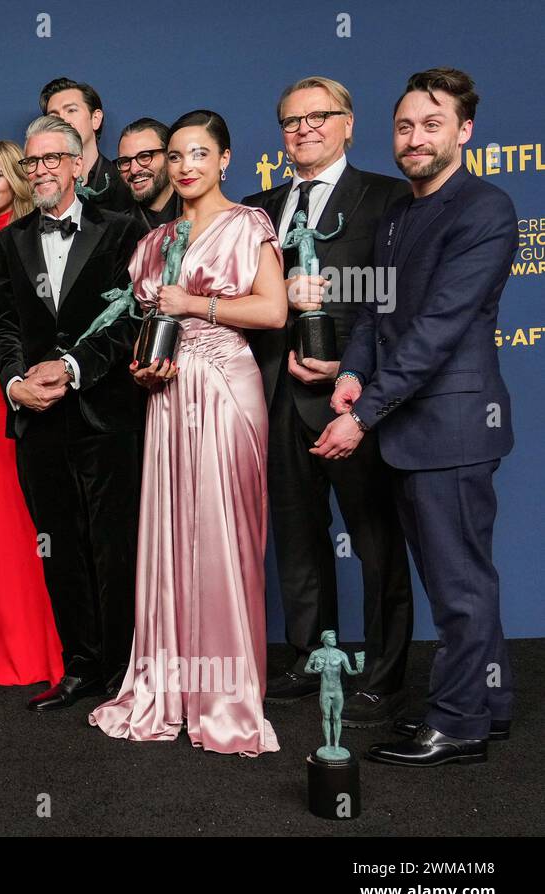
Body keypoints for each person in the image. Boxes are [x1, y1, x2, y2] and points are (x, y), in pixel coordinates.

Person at [319, 68, 516, 766]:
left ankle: (459, 723)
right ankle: (487, 705)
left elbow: (437, 329)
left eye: (432, 124)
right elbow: (378, 309)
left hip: (452, 429)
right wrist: (349, 371)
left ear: (464, 131)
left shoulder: (485, 209)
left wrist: (362, 414)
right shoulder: (400, 214)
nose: (415, 137)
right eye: (404, 126)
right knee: (457, 581)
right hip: (408, 429)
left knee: (461, 587)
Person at [88, 111, 288, 756]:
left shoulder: (249, 224)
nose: (185, 166)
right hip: (168, 396)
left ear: (226, 159)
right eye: (175, 156)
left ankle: (225, 697)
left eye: (199, 153)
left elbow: (272, 309)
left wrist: (196, 305)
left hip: (227, 387)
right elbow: (146, 325)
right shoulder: (153, 241)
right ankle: (168, 687)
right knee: (171, 536)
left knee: (222, 536)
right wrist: (144, 371)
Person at [241, 77, 414, 725]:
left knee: (376, 540)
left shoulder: (389, 198)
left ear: (348, 123)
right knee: (297, 536)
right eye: (291, 120)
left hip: (351, 393)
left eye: (319, 116)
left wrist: (357, 370)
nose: (304, 129)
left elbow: (400, 297)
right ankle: (312, 655)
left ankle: (389, 675)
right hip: (276, 393)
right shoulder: (259, 207)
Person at [0, 116, 147, 711]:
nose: (42, 170)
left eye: (54, 158)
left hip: (104, 414)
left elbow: (132, 316)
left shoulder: (122, 228)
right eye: (32, 162)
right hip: (37, 420)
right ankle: (81, 668)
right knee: (59, 545)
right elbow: (2, 328)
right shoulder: (10, 239)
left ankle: (125, 670)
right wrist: (14, 383)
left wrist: (73, 367)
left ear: (80, 164)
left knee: (115, 546)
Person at [0, 139, 63, 687]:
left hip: (18, 398)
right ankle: (12, 654)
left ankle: (50, 654)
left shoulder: (31, 241)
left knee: (34, 530)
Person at [39, 77, 135, 213]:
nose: (62, 120)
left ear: (95, 119)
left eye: (71, 110)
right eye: (54, 116)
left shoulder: (123, 182)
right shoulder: (41, 183)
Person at [117, 117, 182, 229]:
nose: (134, 170)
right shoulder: (117, 231)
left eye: (145, 156)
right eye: (125, 162)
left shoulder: (204, 217)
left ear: (169, 156)